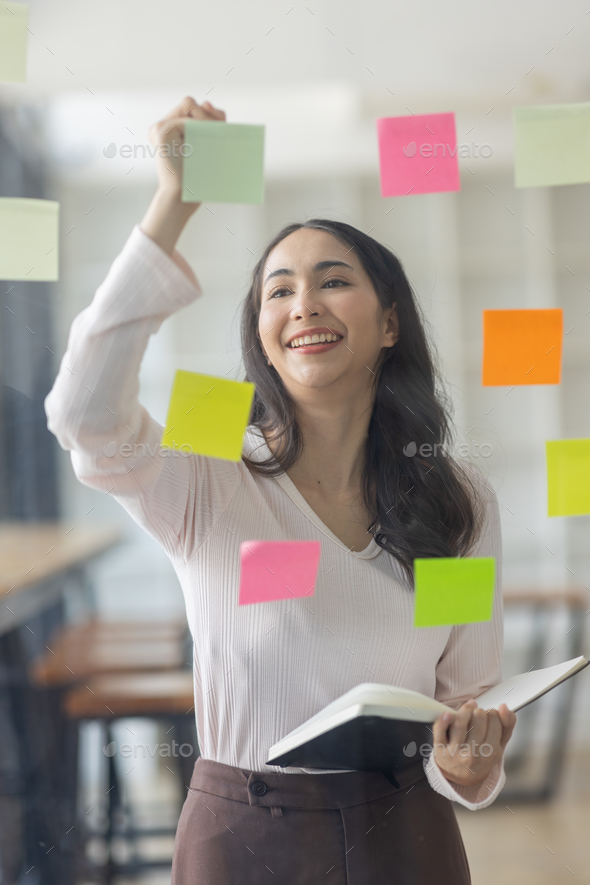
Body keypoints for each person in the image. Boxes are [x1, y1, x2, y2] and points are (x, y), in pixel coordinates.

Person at [45, 96, 516, 884]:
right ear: (260, 328)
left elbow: (466, 700)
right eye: (278, 290)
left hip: (408, 833)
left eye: (334, 281)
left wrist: (471, 769)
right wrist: (173, 203)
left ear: (390, 322)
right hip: (242, 835)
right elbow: (83, 415)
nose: (304, 305)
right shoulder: (213, 455)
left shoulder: (455, 494)